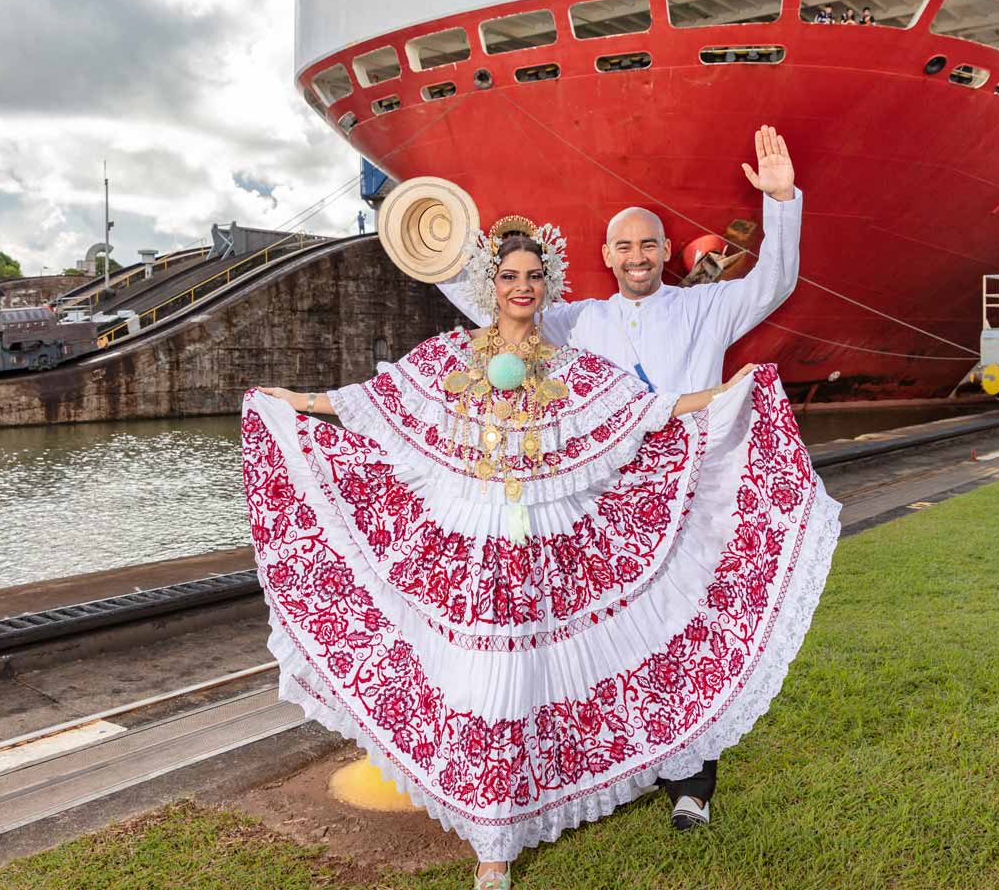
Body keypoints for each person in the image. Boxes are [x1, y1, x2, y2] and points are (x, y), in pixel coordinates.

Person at [246, 219, 840, 889]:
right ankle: (492, 847)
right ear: (491, 286)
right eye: (509, 277)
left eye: (533, 278)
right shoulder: (451, 355)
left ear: (547, 286)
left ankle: (567, 802)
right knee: (485, 682)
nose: (522, 288)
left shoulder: (573, 366)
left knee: (542, 674)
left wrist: (734, 392)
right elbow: (383, 402)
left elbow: (650, 410)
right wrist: (300, 402)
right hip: (476, 543)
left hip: (547, 542)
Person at [439, 125, 802, 828]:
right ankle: (624, 763)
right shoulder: (579, 321)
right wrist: (442, 256)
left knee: (684, 639)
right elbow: (501, 311)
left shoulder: (707, 307)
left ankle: (691, 787)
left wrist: (782, 200)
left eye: (648, 244)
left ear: (667, 252)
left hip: (690, 503)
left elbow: (776, 280)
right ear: (607, 257)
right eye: (624, 246)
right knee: (615, 645)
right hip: (605, 513)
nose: (637, 256)